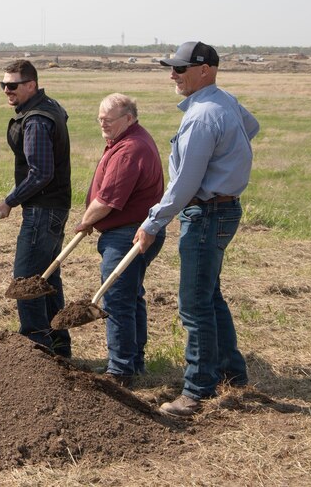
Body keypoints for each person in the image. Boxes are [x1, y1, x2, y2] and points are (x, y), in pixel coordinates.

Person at [133, 41, 259, 417]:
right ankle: (232, 374)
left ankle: (196, 389)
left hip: (205, 214)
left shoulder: (202, 116)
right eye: (171, 67)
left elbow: (185, 182)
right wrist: (227, 158)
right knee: (210, 296)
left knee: (193, 305)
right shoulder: (224, 101)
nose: (172, 74)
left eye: (180, 68)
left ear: (206, 70)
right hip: (221, 211)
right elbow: (252, 127)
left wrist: (153, 221)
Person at [73, 93, 166, 385]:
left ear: (128, 118)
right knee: (131, 296)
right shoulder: (130, 140)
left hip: (127, 234)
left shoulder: (129, 150)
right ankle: (134, 361)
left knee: (117, 299)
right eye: (100, 119)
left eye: (108, 120)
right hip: (133, 230)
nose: (103, 124)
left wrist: (85, 222)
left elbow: (108, 200)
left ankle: (121, 370)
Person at [0, 59, 72, 355]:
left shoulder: (37, 119)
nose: (6, 90)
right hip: (54, 207)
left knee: (25, 281)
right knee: (46, 278)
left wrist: (10, 200)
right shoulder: (49, 107)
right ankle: (60, 346)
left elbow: (41, 172)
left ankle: (36, 348)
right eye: (3, 85)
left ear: (31, 85)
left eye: (12, 85)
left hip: (42, 209)